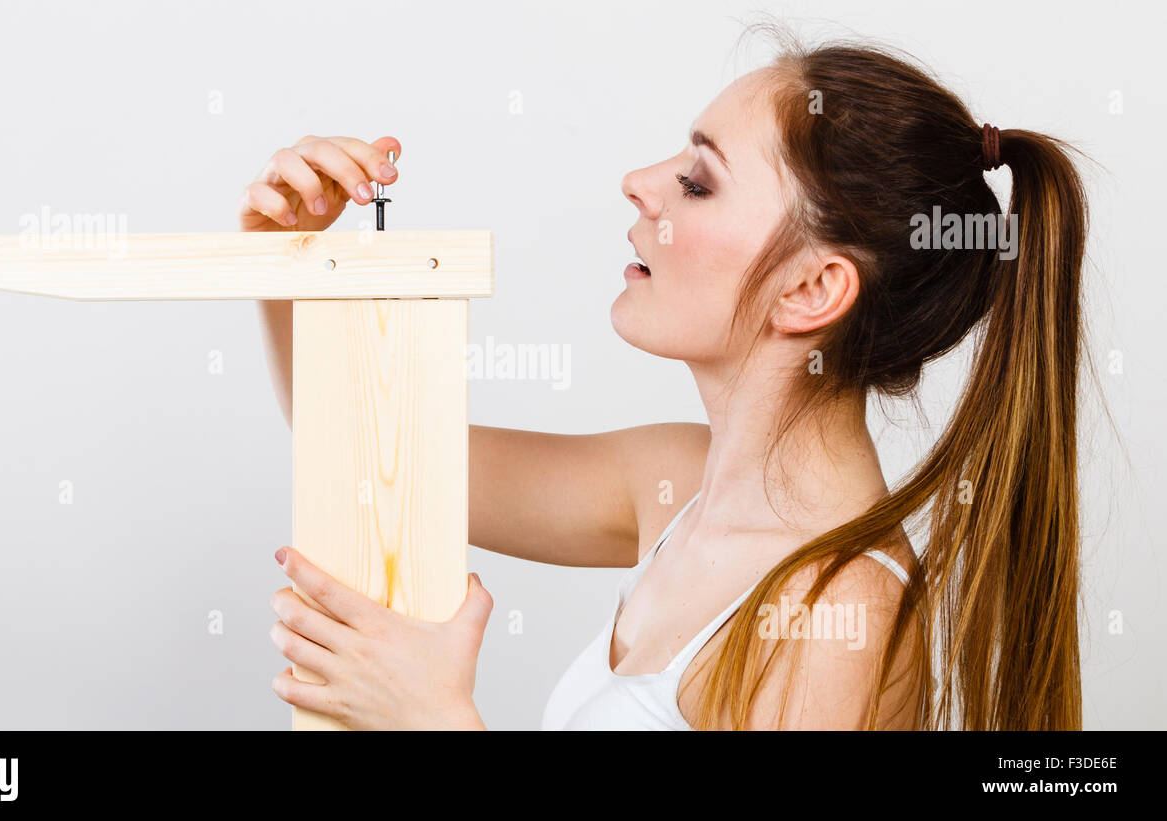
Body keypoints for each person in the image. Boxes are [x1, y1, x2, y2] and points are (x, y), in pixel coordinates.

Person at [244, 32, 1087, 730]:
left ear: (810, 289)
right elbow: (355, 451)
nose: (639, 184)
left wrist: (435, 719)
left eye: (697, 181)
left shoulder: (841, 615)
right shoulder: (674, 483)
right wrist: (285, 258)